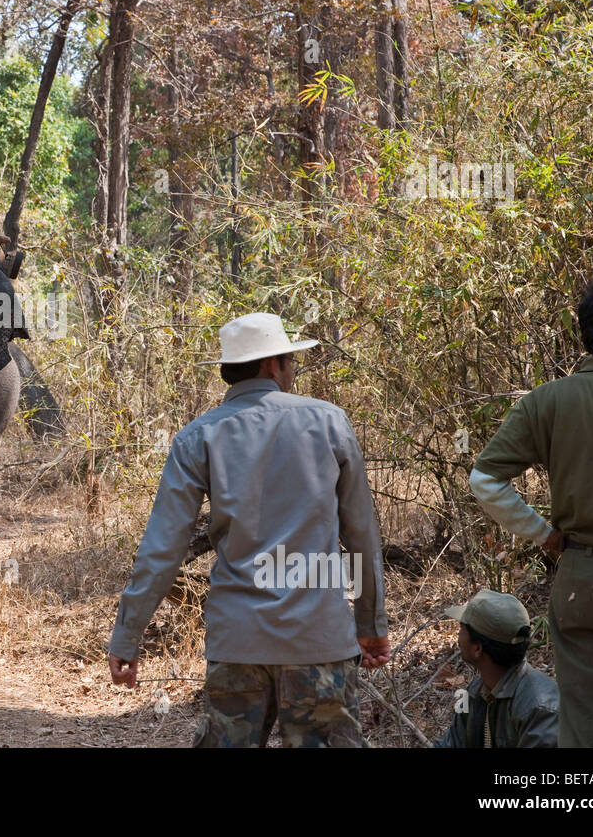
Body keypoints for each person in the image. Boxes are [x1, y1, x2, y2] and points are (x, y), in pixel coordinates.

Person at [107, 313, 390, 747]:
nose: (292, 370)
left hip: (238, 642)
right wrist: (368, 623)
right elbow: (361, 534)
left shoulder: (197, 438)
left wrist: (128, 635)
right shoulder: (330, 422)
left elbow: (163, 549)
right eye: (289, 361)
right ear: (271, 364)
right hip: (319, 640)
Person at [470, 275, 593, 748]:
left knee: (583, 732)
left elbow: (485, 479)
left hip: (580, 579)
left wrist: (543, 535)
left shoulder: (546, 401)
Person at [433, 589, 559, 748]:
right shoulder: (477, 691)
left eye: (462, 628)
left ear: (477, 648)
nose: (458, 637)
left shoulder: (541, 708)